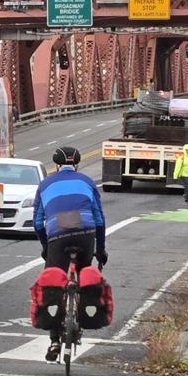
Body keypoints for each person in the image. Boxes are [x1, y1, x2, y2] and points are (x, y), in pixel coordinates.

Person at [33, 146, 107, 361]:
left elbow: (38, 222)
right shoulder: (87, 182)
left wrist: (47, 247)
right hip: (86, 233)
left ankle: (55, 339)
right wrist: (100, 250)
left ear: (56, 166)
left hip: (58, 236)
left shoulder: (44, 184)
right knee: (84, 278)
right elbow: (100, 219)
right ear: (77, 164)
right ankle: (81, 319)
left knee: (53, 283)